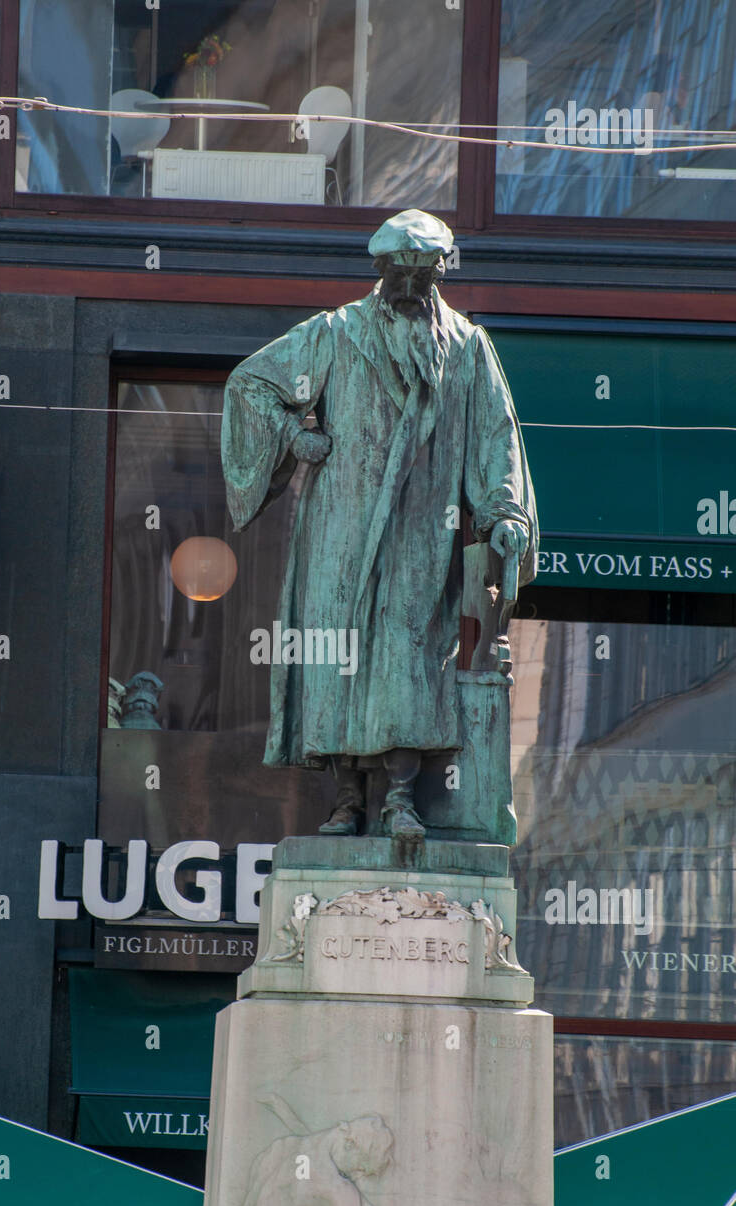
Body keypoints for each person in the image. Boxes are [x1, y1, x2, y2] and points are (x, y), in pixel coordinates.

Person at [221, 210, 537, 841]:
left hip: (423, 528)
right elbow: (250, 384)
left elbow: (494, 437)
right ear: (380, 269)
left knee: (409, 654)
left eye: (420, 273)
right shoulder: (335, 334)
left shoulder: (469, 347)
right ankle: (344, 800)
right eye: (397, 271)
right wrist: (293, 434)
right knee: (337, 652)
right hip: (339, 523)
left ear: (440, 272)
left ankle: (399, 799)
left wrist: (504, 511)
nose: (407, 284)